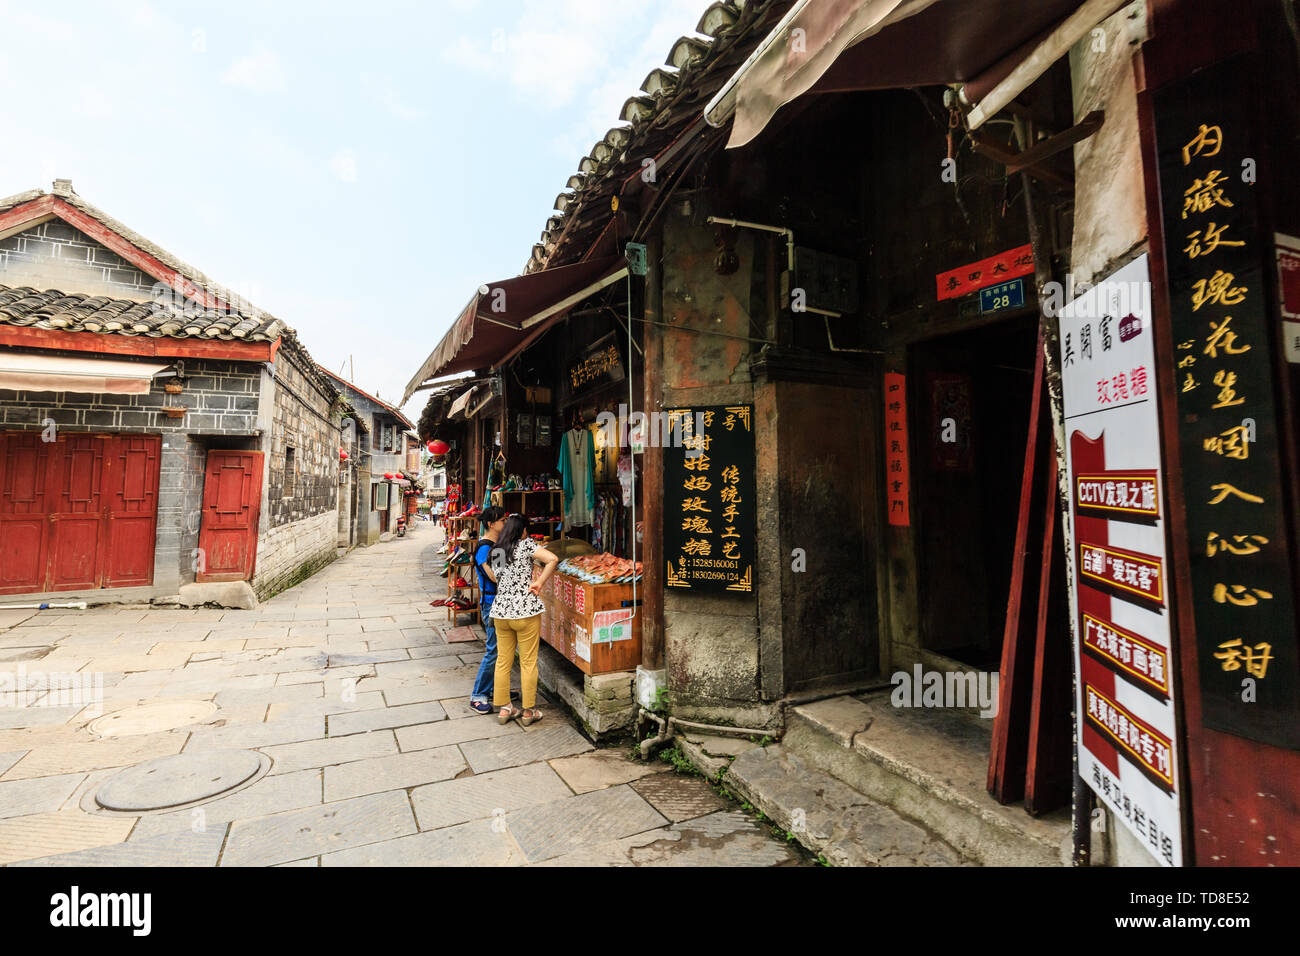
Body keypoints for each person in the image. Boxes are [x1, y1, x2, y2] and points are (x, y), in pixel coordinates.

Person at [489, 513, 559, 725]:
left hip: (501, 612)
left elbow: (497, 576)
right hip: (525, 610)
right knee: (528, 662)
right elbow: (552, 559)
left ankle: (504, 709)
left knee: (503, 661)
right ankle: (528, 711)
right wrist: (539, 582)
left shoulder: (498, 549)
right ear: (523, 530)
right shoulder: (526, 544)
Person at [468, 506, 507, 714]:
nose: (505, 523)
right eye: (502, 520)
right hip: (491, 603)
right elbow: (495, 576)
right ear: (491, 524)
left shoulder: (497, 545)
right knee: (493, 650)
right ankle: (478, 695)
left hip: (499, 600)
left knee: (500, 649)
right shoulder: (485, 547)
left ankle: (492, 688)